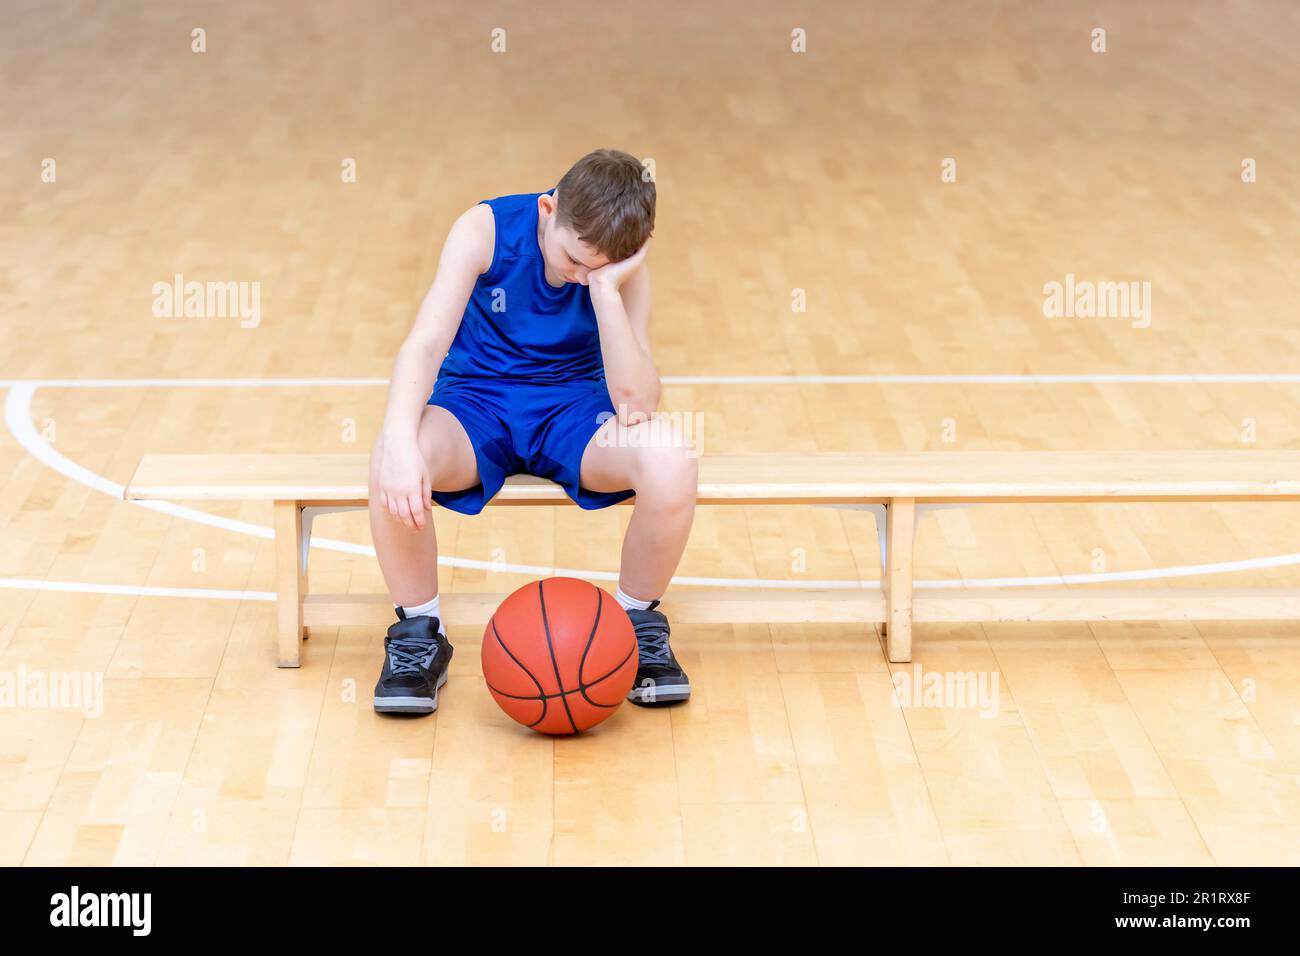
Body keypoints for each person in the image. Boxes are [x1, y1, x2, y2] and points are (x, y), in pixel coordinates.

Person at [368, 148, 698, 715]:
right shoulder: (483, 230)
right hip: (476, 402)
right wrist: (399, 439)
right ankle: (420, 634)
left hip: (576, 411)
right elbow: (423, 345)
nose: (578, 274)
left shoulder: (617, 277)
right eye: (573, 259)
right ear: (549, 209)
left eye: (596, 268)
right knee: (395, 450)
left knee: (671, 457)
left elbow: (637, 402)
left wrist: (606, 294)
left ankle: (636, 623)